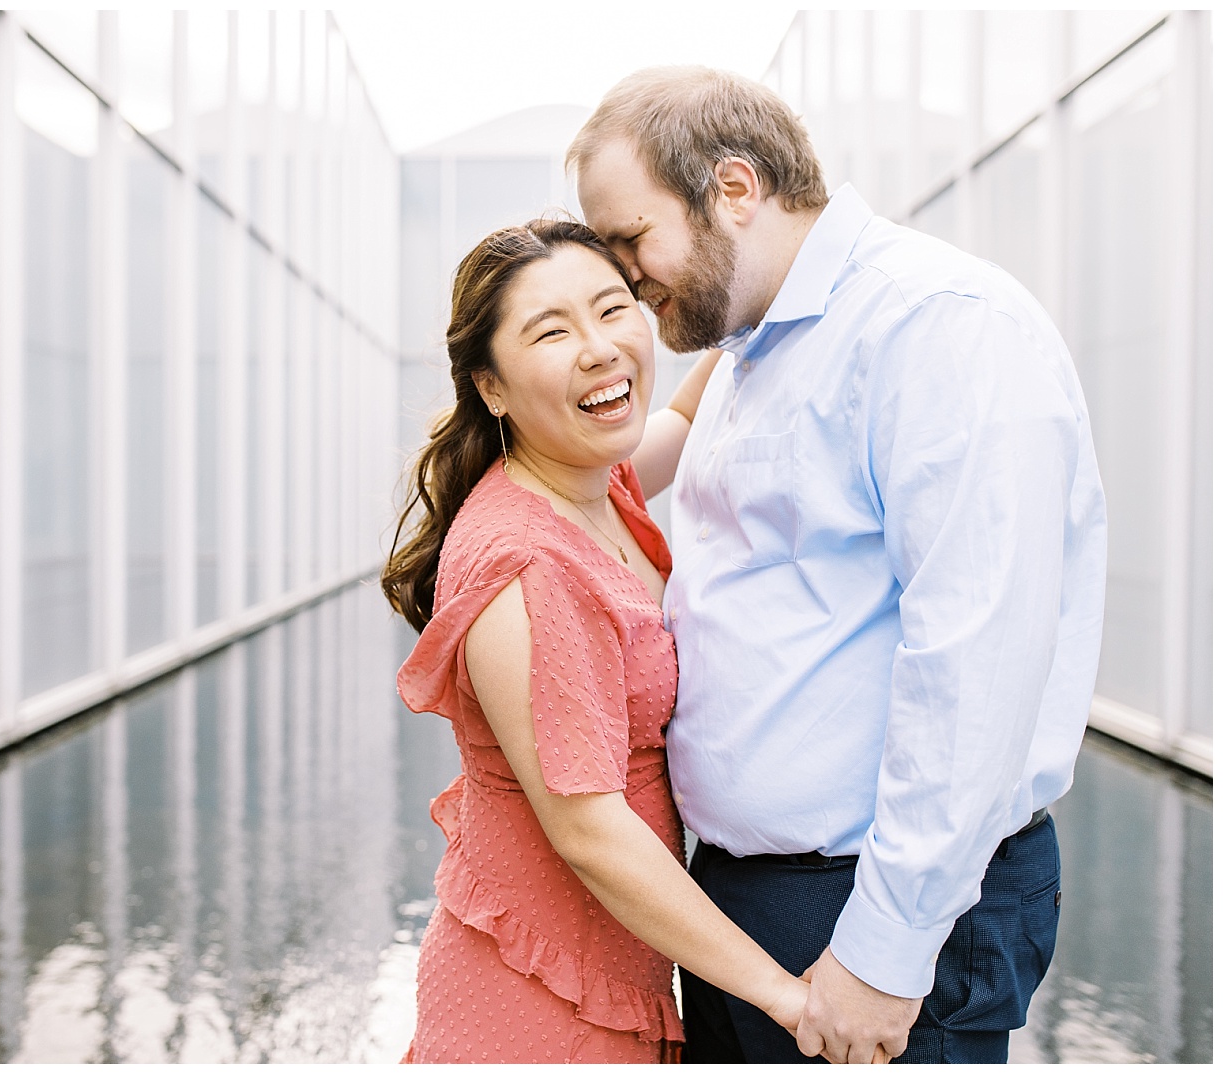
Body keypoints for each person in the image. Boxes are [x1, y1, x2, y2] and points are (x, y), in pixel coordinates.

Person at [569, 66, 1107, 1063]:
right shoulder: (746, 352)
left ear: (733, 189)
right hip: (751, 900)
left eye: (630, 240)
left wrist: (884, 957)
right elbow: (644, 469)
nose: (624, 280)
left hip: (872, 913)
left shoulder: (938, 324)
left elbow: (974, 666)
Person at [381, 218, 815, 1063]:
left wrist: (774, 281)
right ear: (492, 387)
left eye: (613, 309)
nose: (599, 348)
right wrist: (786, 999)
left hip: (607, 970)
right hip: (538, 1005)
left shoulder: (589, 477)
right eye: (551, 331)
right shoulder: (527, 564)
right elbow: (588, 830)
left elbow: (683, 424)